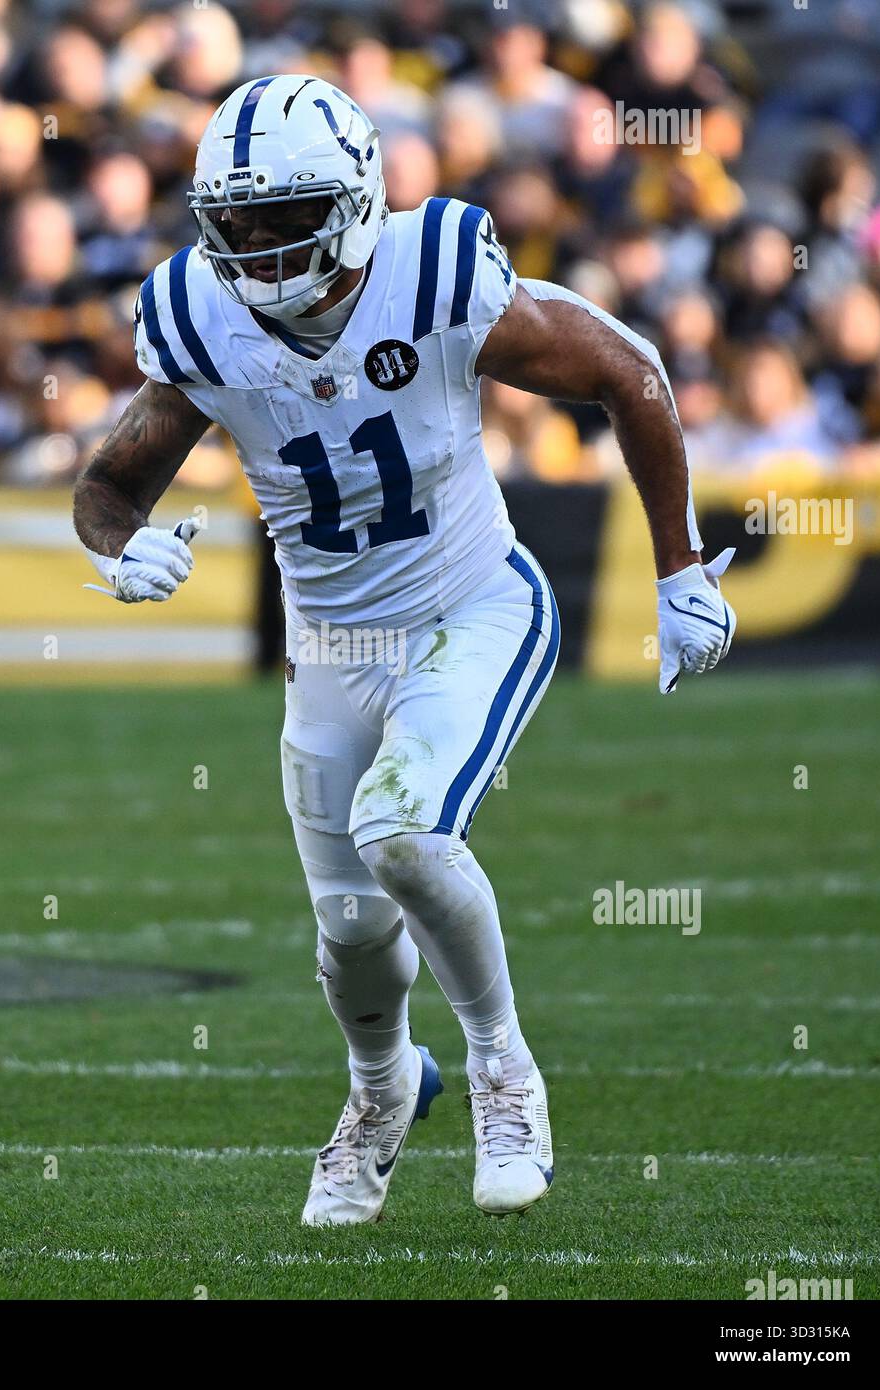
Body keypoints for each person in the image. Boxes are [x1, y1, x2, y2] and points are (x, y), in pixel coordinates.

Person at [72, 75, 736, 1226]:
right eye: (240, 225)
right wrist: (117, 550)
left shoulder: (434, 271)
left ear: (360, 195)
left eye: (288, 218)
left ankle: (503, 1073)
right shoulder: (198, 315)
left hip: (471, 601)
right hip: (328, 647)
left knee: (403, 830)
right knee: (352, 941)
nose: (264, 250)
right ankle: (382, 1093)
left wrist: (679, 570)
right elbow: (109, 481)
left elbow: (627, 369)